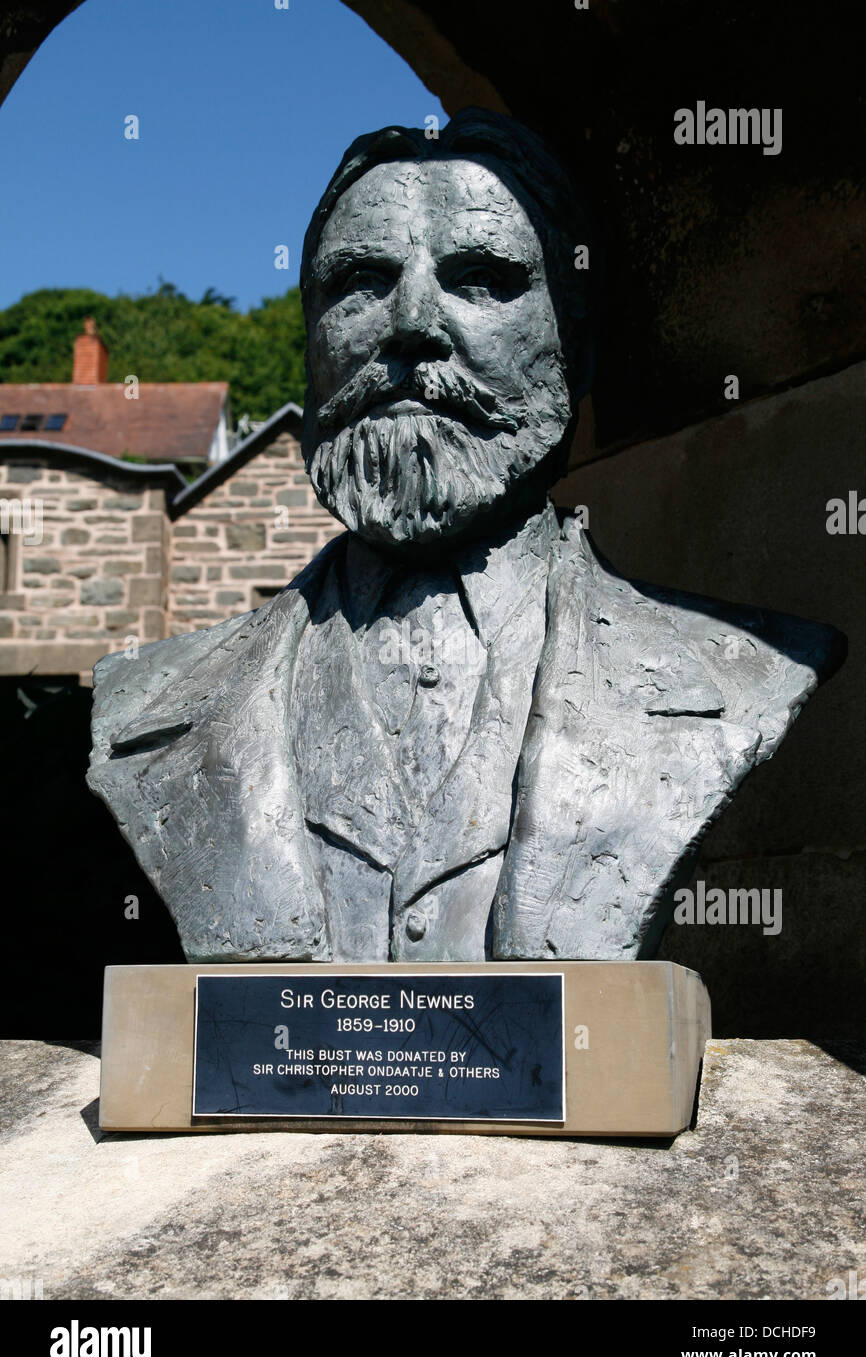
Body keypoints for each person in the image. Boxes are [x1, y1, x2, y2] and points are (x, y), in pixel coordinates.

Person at [88, 109, 843, 964]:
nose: (412, 323)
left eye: (483, 279)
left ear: (577, 349)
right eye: (361, 283)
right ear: (311, 340)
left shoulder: (740, 679)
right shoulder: (148, 702)